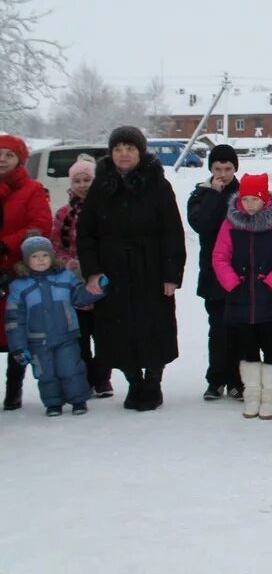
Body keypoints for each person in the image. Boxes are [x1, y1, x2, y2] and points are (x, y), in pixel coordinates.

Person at [77, 127, 186, 412]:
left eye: (130, 148)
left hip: (149, 268)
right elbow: (86, 234)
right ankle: (134, 381)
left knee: (153, 328)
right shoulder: (101, 187)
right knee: (117, 330)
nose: (123, 154)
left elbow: (172, 233)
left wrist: (171, 275)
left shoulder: (158, 185)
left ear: (140, 151)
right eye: (118, 148)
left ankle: (152, 382)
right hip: (112, 271)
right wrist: (92, 272)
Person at [211, 173, 272, 420]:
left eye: (254, 199)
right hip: (241, 296)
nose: (249, 204)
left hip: (268, 296)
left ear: (264, 200)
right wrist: (231, 283)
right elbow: (220, 256)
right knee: (247, 346)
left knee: (270, 345)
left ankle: (270, 394)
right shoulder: (231, 222)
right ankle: (252, 393)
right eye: (245, 199)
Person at [4, 235, 105, 416]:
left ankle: (78, 400)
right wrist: (18, 348)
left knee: (71, 368)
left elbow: (80, 297)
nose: (41, 260)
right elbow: (14, 320)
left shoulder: (66, 278)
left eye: (44, 255)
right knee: (45, 374)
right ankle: (53, 403)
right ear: (26, 260)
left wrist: (97, 289)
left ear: (52, 256)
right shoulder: (19, 287)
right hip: (37, 341)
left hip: (65, 335)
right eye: (34, 256)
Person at [51, 154, 111, 398]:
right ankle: (84, 377)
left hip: (103, 281)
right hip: (74, 284)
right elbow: (56, 245)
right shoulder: (63, 213)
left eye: (88, 179)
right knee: (80, 336)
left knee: (105, 334)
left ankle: (102, 378)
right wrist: (68, 264)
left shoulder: (105, 209)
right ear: (71, 184)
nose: (83, 185)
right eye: (78, 180)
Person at [186, 144, 243, 401]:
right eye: (218, 168)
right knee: (217, 329)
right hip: (213, 272)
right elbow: (202, 225)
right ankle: (216, 379)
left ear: (235, 168)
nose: (222, 173)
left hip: (240, 271)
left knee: (239, 329)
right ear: (210, 169)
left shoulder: (245, 194)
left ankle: (238, 380)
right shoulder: (200, 194)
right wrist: (215, 195)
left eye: (228, 168)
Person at [0, 134, 52, 411]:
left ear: (20, 159)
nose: (2, 159)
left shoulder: (32, 189)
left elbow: (40, 225)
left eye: (9, 155)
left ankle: (13, 390)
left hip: (18, 271)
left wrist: (7, 243)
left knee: (15, 332)